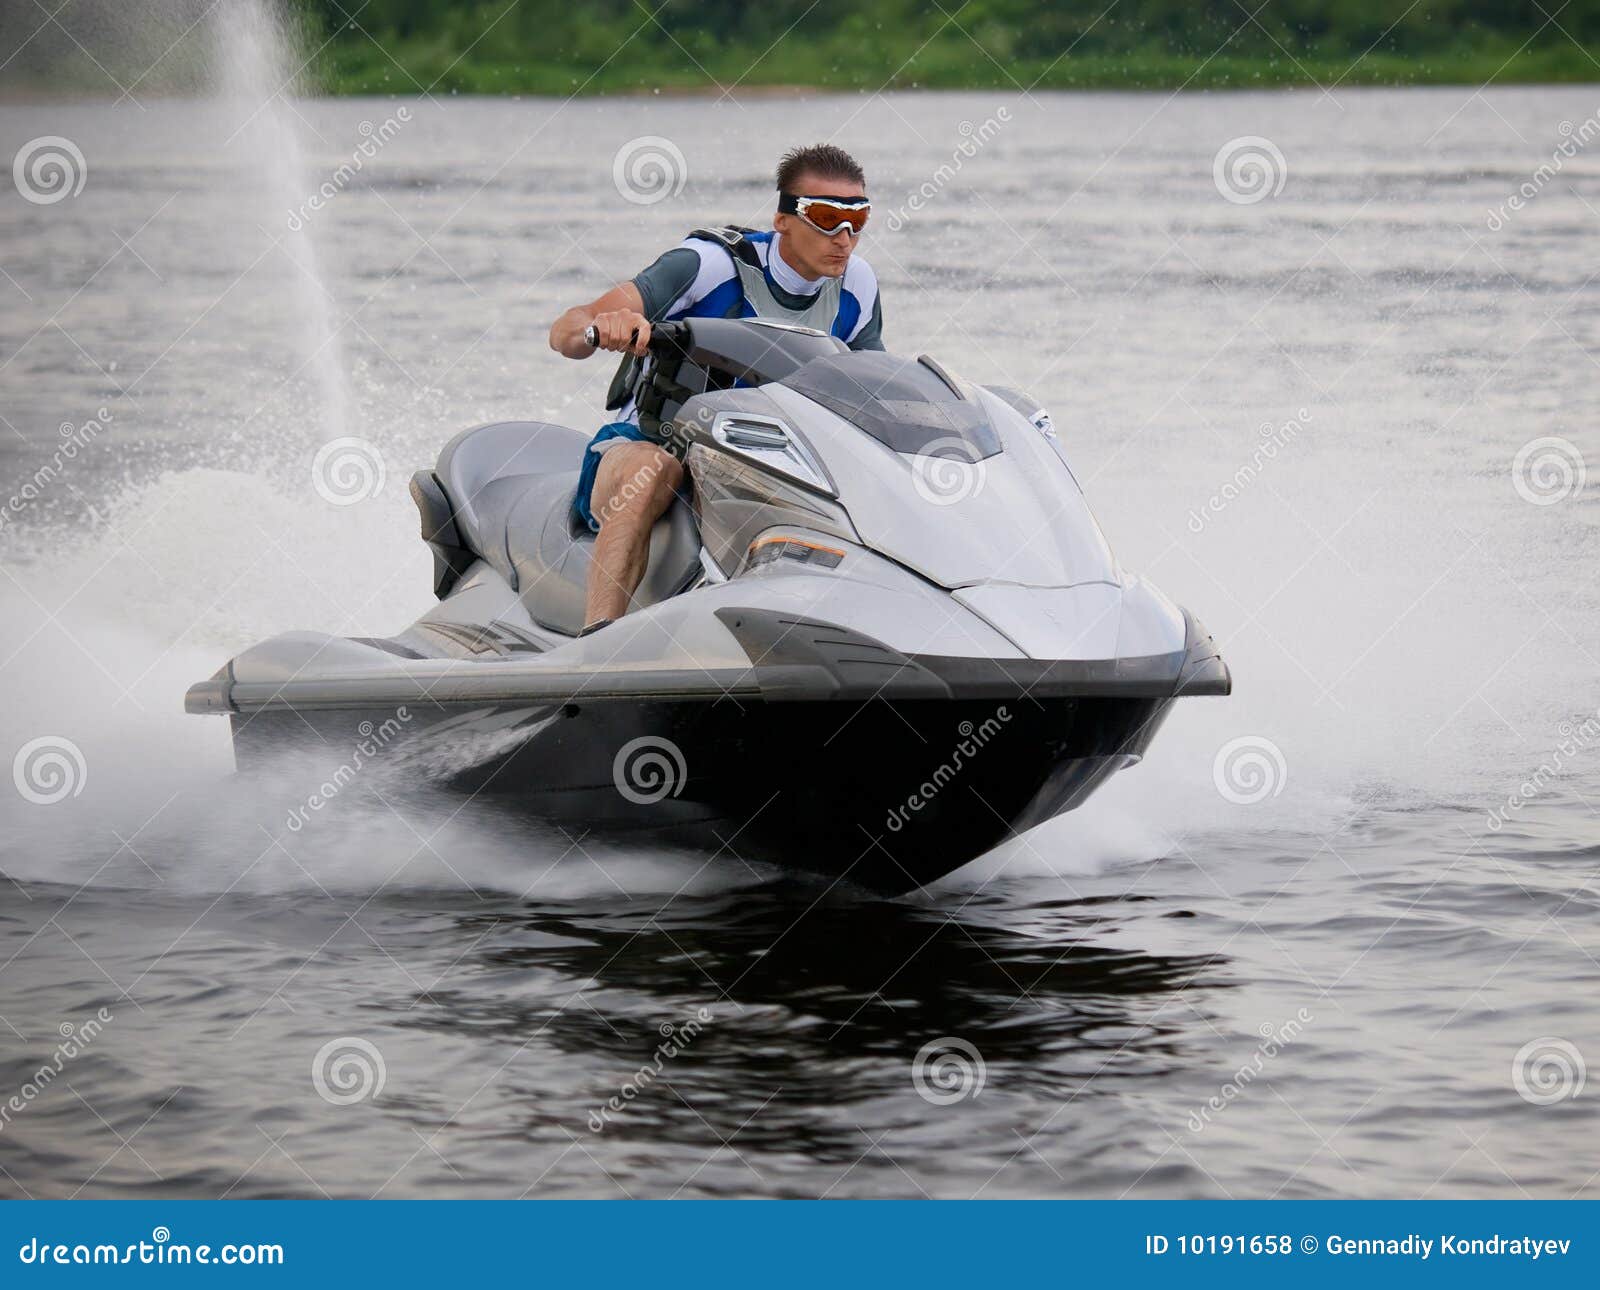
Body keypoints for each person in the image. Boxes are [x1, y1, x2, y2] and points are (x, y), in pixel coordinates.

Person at [547, 142, 883, 635]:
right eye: (827, 216)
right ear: (783, 219)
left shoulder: (858, 286)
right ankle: (597, 642)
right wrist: (606, 324)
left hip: (761, 463)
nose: (844, 236)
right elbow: (567, 328)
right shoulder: (709, 265)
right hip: (646, 445)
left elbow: (872, 388)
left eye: (857, 219)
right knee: (653, 469)